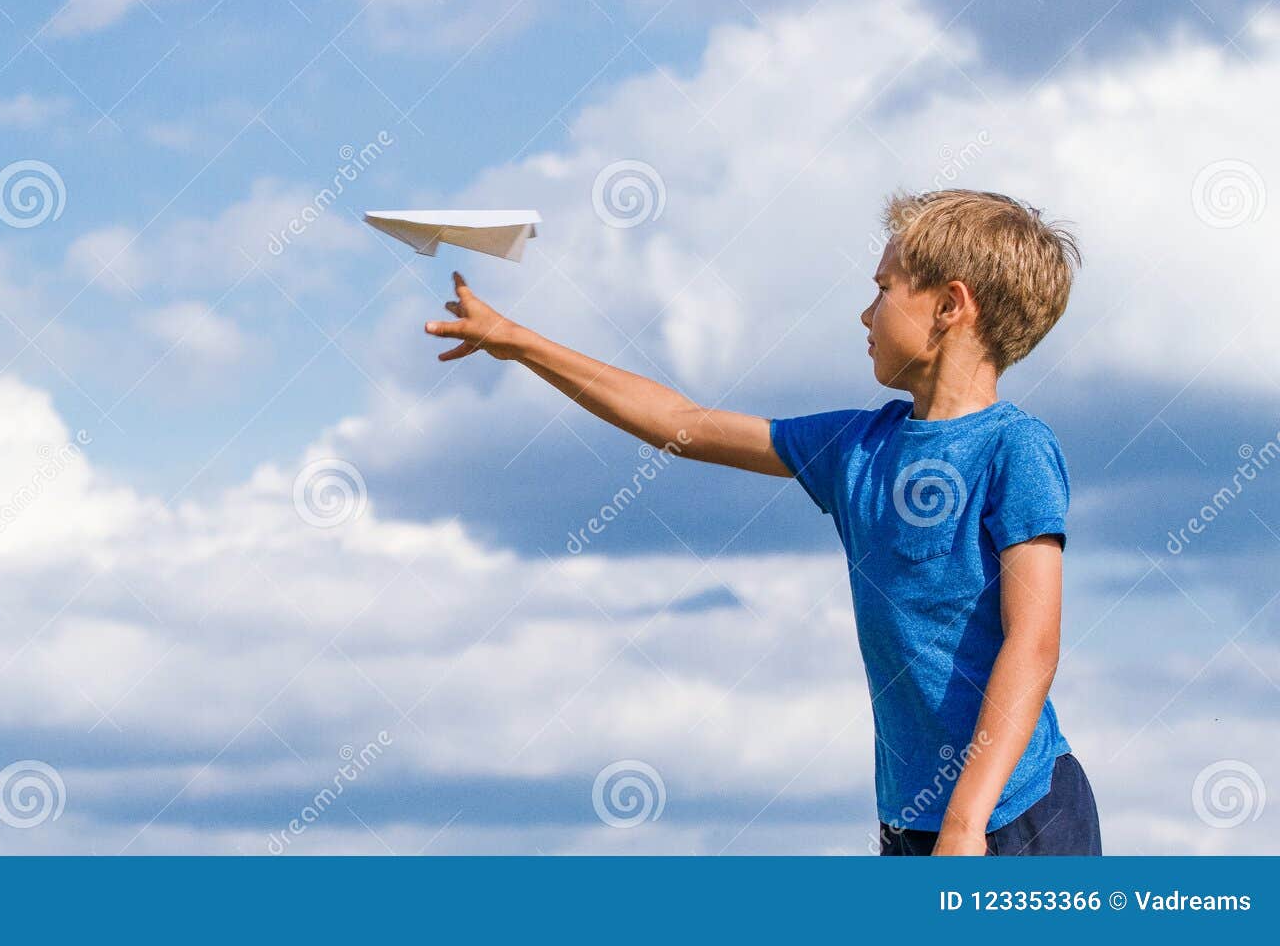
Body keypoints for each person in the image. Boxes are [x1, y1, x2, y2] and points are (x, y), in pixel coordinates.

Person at [422, 188, 1101, 856]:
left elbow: (1034, 640)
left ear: (951, 305)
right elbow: (680, 424)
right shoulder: (856, 448)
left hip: (1019, 813)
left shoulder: (1016, 447)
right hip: (913, 821)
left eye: (884, 288)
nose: (866, 313)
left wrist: (966, 818)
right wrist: (516, 341)